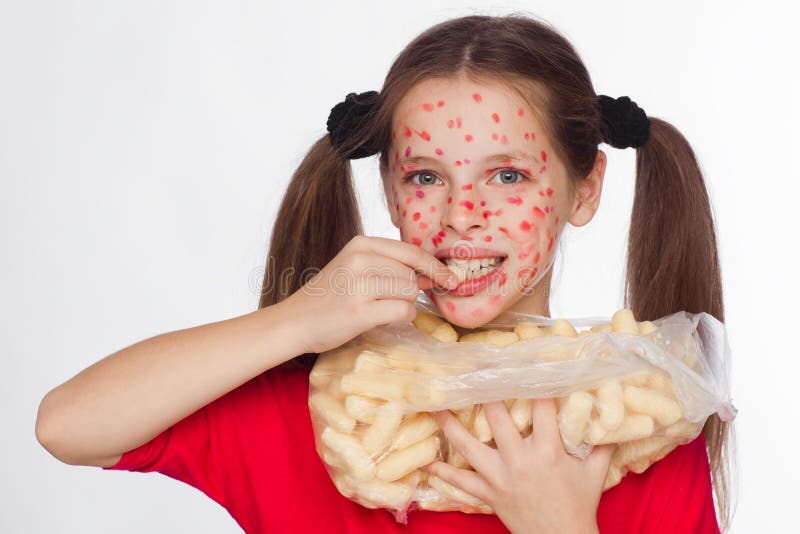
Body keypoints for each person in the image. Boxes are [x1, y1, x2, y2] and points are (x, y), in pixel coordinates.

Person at [35, 13, 733, 534]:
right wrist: (297, 320)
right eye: (427, 176)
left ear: (585, 190)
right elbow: (67, 426)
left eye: (509, 175)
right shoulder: (305, 409)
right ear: (392, 194)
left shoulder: (644, 437)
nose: (462, 214)